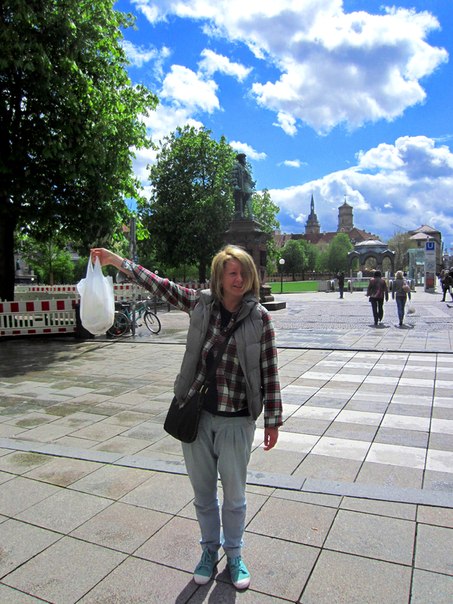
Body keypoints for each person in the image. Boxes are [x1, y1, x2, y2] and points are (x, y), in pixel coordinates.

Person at [90, 245, 282, 590]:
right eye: (232, 273)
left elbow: (270, 370)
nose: (239, 279)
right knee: (203, 494)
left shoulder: (260, 318)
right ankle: (209, 550)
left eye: (244, 273)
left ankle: (234, 554)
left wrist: (273, 420)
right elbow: (159, 285)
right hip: (198, 416)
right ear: (220, 277)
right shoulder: (201, 304)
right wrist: (117, 261)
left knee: (235, 496)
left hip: (237, 420)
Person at [231, 153, 255, 219]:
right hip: (241, 186)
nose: (245, 160)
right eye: (244, 158)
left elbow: (248, 178)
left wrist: (251, 183)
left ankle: (250, 214)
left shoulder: (245, 167)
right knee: (240, 202)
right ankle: (241, 215)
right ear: (241, 159)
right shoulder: (237, 166)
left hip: (247, 186)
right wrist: (235, 185)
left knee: (248, 199)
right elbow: (233, 176)